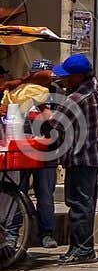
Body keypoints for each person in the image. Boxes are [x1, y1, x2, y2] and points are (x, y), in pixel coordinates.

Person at [48, 54, 98, 264]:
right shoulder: (93, 86)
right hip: (94, 154)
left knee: (78, 203)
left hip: (81, 157)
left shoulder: (77, 99)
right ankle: (83, 248)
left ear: (78, 76)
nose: (64, 80)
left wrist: (42, 114)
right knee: (86, 203)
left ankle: (82, 250)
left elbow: (54, 124)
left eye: (68, 77)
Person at [2, 60, 56, 249]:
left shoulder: (55, 94)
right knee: (17, 194)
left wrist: (42, 106)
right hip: (20, 153)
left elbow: (54, 120)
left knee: (46, 196)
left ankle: (47, 233)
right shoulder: (17, 92)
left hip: (46, 154)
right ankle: (12, 234)